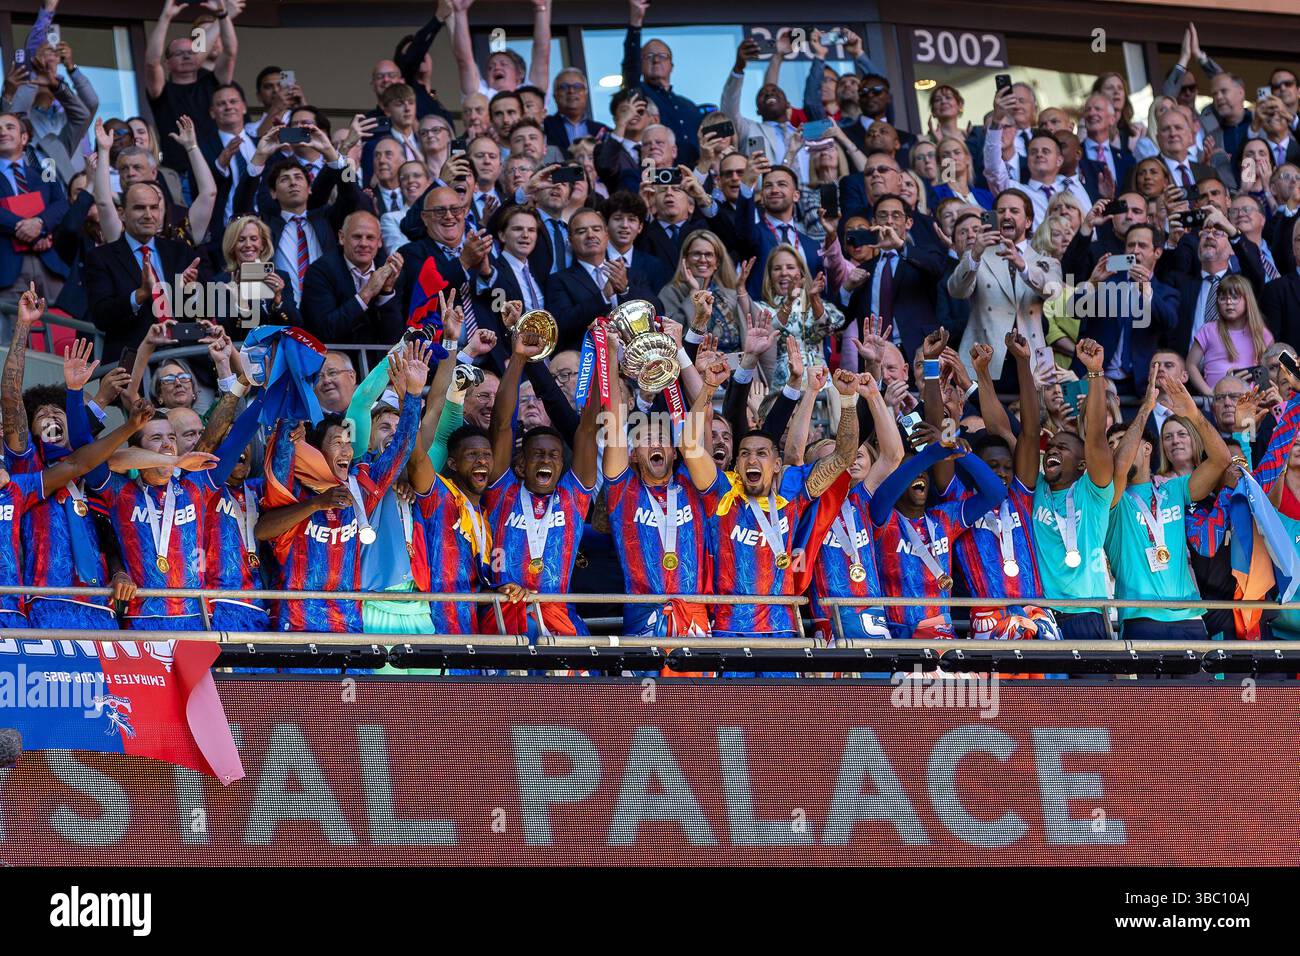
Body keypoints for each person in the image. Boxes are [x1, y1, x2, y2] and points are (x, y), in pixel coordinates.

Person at [256, 345, 425, 632]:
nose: (347, 450)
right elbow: (263, 530)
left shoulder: (362, 490)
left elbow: (401, 450)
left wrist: (413, 396)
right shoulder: (297, 491)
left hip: (349, 627)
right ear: (319, 452)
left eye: (348, 443)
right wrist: (316, 504)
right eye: (337, 443)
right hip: (297, 626)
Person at [483, 319, 600, 637]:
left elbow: (588, 430)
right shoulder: (502, 492)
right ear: (520, 466)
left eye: (553, 455)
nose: (547, 459)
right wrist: (519, 357)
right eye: (538, 454)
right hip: (505, 617)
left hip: (560, 617)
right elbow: (502, 425)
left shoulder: (572, 498)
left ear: (563, 467)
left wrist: (603, 361)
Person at [602, 345, 727, 637]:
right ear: (632, 454)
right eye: (646, 439)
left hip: (695, 618)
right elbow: (615, 421)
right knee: (650, 684)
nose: (656, 444)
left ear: (674, 452)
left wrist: (708, 385)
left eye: (662, 439)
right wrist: (608, 353)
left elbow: (700, 429)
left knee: (694, 687)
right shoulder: (623, 492)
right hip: (642, 620)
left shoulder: (695, 486)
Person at [1109, 368, 1231, 640]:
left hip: (1189, 616)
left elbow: (1222, 461)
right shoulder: (1110, 499)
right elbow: (1119, 465)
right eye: (1113, 445)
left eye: (1125, 441)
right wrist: (1145, 409)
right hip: (1140, 616)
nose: (1120, 449)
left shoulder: (1174, 489)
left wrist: (1193, 414)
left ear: (1147, 449)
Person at [1031, 338, 1114, 639]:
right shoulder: (1037, 486)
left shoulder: (1093, 491)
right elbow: (1014, 432)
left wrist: (1094, 373)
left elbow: (1095, 438)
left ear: (1082, 464)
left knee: (1091, 688)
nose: (1053, 449)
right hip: (1041, 614)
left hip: (1087, 613)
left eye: (1063, 447)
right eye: (1051, 446)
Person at [949, 188, 1060, 392]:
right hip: (986, 358)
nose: (1006, 215)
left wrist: (1024, 267)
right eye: (1001, 211)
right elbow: (957, 290)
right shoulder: (977, 254)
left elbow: (1055, 292)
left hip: (1031, 361)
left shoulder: (1045, 261)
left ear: (1028, 222)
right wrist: (974, 255)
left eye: (1014, 211)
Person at [145, 0, 239, 175]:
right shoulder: (162, 91)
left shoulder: (213, 83)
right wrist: (165, 18)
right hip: (180, 174)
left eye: (191, 52)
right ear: (168, 62)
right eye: (178, 53)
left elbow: (230, 52)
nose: (186, 56)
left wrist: (223, 15)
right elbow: (151, 63)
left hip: (218, 167)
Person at [300, 211, 406, 345]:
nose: (363, 243)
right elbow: (325, 331)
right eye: (357, 237)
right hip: (334, 357)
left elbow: (394, 339)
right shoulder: (320, 271)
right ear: (342, 237)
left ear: (379, 242)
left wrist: (387, 291)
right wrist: (366, 293)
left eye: (370, 237)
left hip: (377, 361)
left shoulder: (391, 271)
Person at [621, 0, 702, 166]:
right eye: (649, 57)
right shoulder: (640, 95)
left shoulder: (690, 107)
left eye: (662, 56)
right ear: (640, 65)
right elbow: (630, 67)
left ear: (672, 65)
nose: (656, 59)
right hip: (655, 175)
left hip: (693, 179)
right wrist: (635, 24)